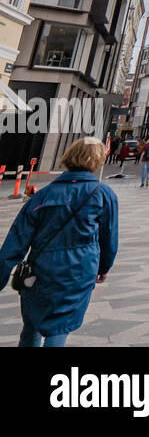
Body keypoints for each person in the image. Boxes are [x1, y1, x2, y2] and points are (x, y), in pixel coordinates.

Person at [0, 138, 118, 347]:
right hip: (79, 270)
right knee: (59, 327)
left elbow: (17, 238)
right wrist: (104, 267)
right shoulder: (102, 194)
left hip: (40, 268)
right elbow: (109, 236)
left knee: (32, 324)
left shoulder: (43, 195)